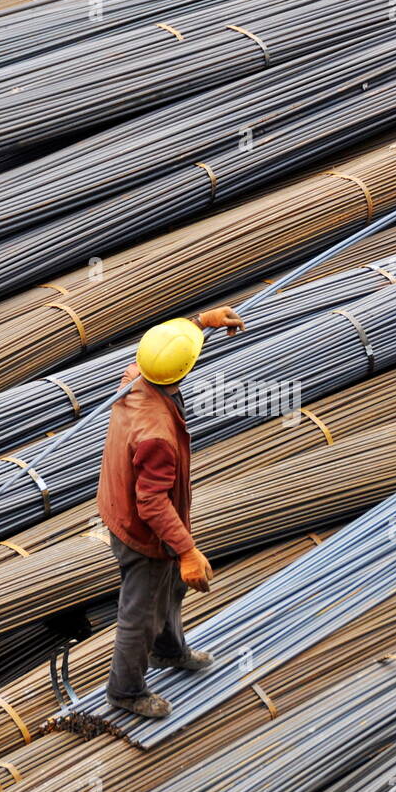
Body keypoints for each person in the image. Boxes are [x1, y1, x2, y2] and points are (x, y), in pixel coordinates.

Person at [97, 305, 246, 718]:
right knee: (140, 612)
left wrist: (203, 322)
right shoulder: (157, 434)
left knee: (171, 590)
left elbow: (163, 349)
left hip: (123, 509)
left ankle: (168, 650)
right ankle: (125, 691)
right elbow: (151, 503)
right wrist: (186, 551)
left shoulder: (135, 377)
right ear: (182, 372)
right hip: (141, 531)